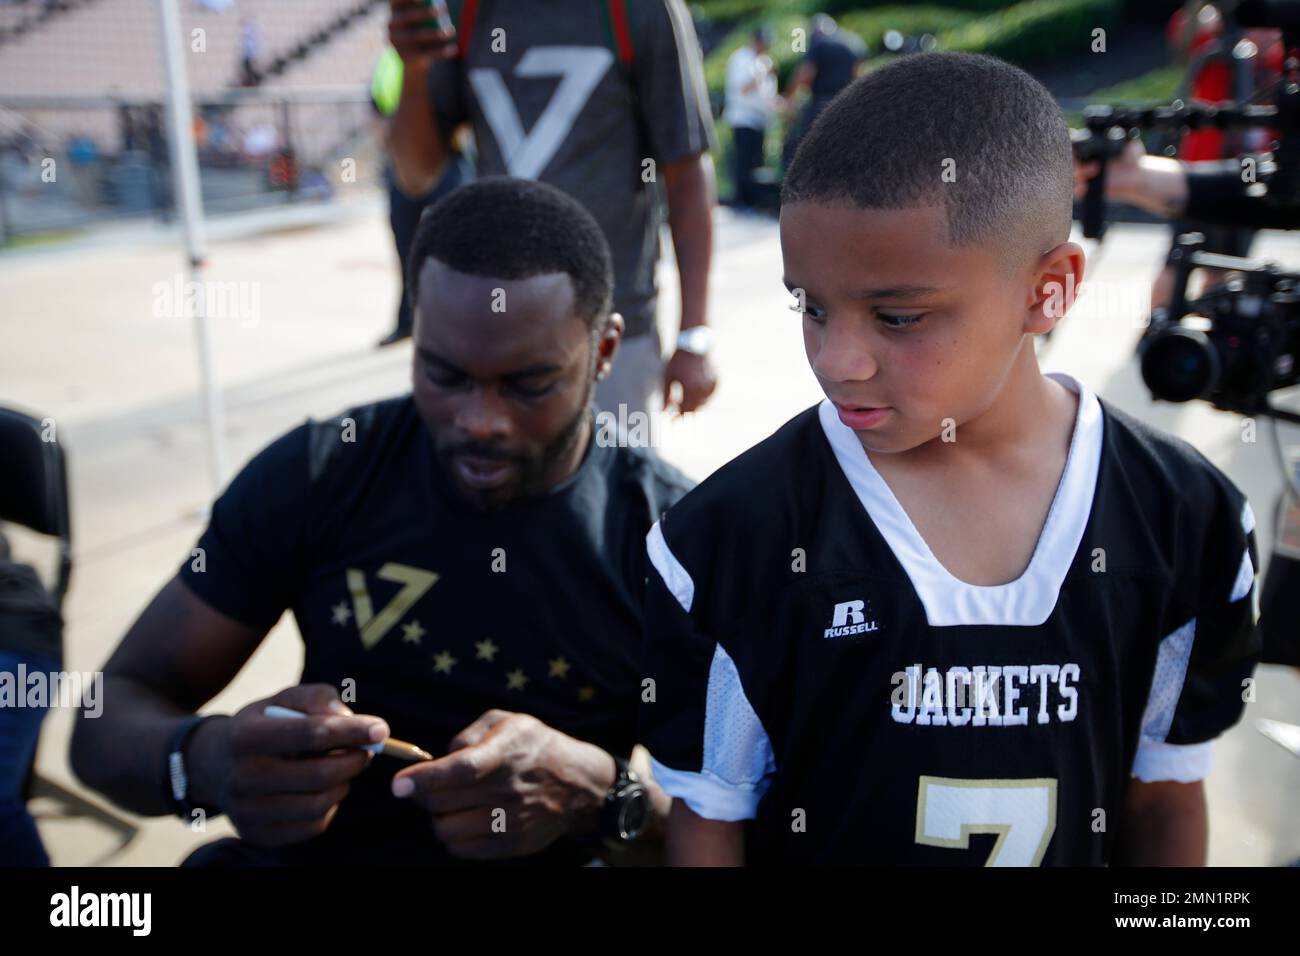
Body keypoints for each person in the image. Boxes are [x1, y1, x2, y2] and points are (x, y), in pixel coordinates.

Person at [640, 52, 1261, 865]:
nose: (837, 360)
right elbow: (710, 822)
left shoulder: (1184, 515)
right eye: (811, 305)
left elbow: (1167, 799)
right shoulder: (728, 536)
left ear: (1050, 288)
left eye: (897, 317)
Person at [70, 177, 692, 866]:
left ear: (605, 352)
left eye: (528, 384)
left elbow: (761, 834)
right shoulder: (321, 473)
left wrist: (603, 795)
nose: (479, 421)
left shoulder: (676, 541)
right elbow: (104, 718)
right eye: (443, 374)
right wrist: (206, 760)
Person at [386, 0, 719, 428]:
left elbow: (686, 171)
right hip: (490, 327)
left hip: (611, 330)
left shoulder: (641, 9)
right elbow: (416, 176)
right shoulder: (463, 10)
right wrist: (414, 73)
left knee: (611, 486)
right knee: (495, 487)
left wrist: (694, 335)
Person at [370, 46, 469, 347]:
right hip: (400, 164)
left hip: (448, 162)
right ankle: (407, 322)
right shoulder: (387, 60)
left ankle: (460, 320)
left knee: (457, 248)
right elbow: (375, 106)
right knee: (406, 249)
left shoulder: (450, 55)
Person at [781, 13, 865, 172]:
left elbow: (806, 74)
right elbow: (858, 76)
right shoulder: (853, 43)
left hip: (820, 106)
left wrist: (789, 97)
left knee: (810, 152)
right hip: (844, 106)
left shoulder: (819, 44)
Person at [724, 27, 778, 211]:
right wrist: (762, 73)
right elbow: (743, 88)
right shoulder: (742, 58)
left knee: (757, 163)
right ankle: (741, 201)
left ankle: (754, 200)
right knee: (743, 162)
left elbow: (768, 94)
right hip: (743, 117)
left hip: (761, 119)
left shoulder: (763, 60)